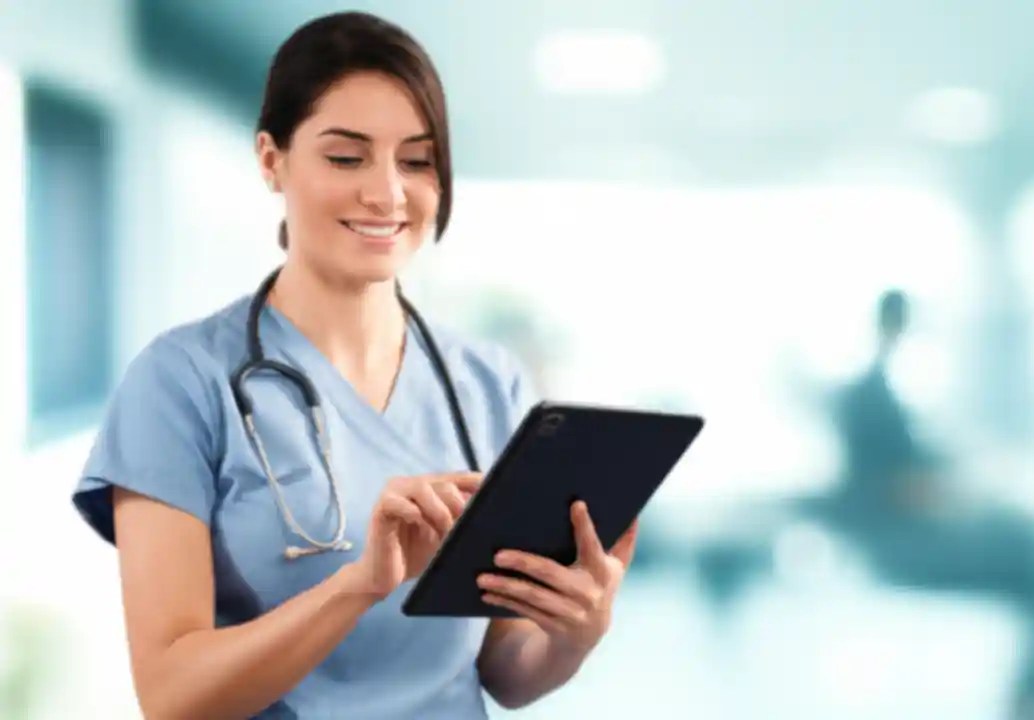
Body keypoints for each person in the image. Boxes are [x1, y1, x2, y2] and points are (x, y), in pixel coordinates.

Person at [70, 12, 637, 719]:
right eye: (347, 158)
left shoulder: (490, 385)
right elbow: (171, 696)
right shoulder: (181, 383)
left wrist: (574, 636)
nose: (388, 194)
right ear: (271, 161)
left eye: (417, 160)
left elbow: (503, 670)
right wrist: (360, 584)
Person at [829, 290, 1034, 719]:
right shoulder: (871, 398)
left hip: (893, 535)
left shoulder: (876, 392)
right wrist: (961, 495)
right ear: (898, 326)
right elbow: (896, 487)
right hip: (896, 546)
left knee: (1029, 549)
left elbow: (906, 471)